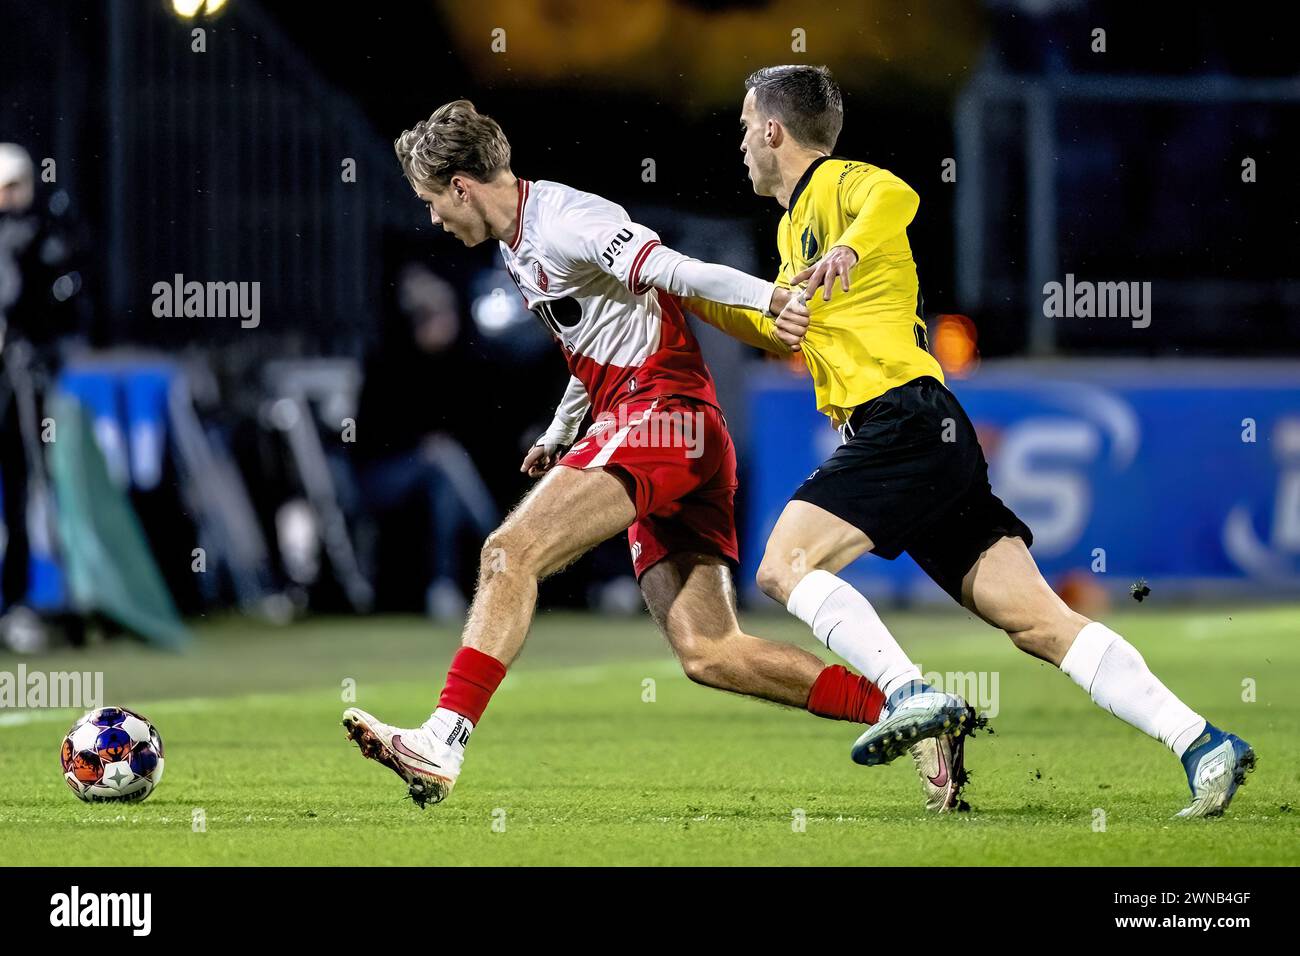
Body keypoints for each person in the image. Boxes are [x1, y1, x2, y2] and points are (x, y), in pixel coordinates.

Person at [342, 100, 966, 812]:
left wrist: (771, 299)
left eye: (430, 202)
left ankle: (442, 739)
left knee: (510, 553)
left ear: (461, 186)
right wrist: (559, 429)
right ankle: (914, 715)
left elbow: (677, 270)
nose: (432, 220)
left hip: (664, 417)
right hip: (671, 429)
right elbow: (592, 348)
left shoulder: (569, 221)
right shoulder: (517, 241)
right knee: (710, 652)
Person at [696, 64, 1254, 818]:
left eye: (742, 128)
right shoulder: (797, 232)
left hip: (905, 423)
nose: (738, 145)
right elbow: (769, 318)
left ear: (773, 130)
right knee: (1040, 622)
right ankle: (1201, 742)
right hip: (932, 436)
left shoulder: (833, 187)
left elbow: (898, 196)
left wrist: (852, 250)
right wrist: (678, 286)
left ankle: (910, 693)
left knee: (783, 564)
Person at [353, 262, 499, 620]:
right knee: (442, 462)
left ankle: (445, 583)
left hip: (434, 475)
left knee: (445, 480)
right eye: (436, 315)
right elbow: (371, 439)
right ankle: (496, 539)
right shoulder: (388, 365)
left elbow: (469, 428)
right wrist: (420, 447)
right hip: (378, 478)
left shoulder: (455, 364)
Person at [0, 143, 86, 652]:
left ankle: (25, 603)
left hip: (20, 379)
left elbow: (55, 306)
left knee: (26, 488)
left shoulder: (41, 237)